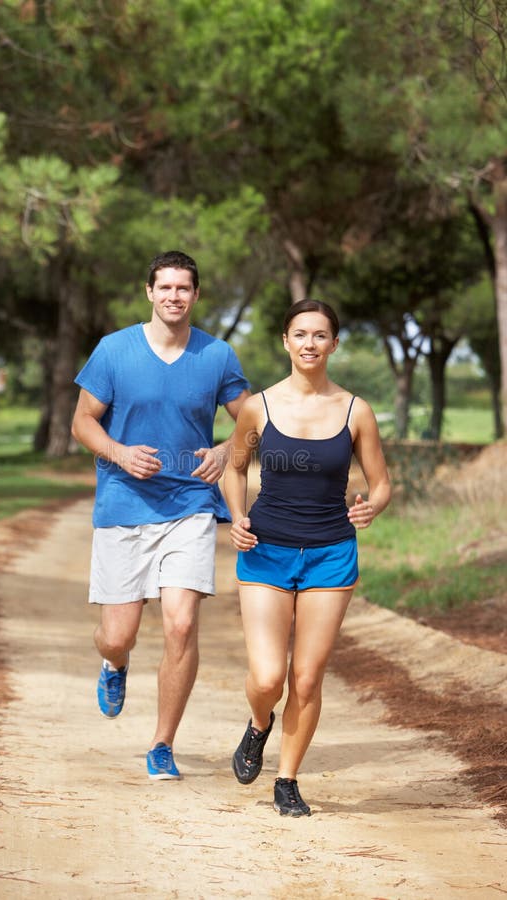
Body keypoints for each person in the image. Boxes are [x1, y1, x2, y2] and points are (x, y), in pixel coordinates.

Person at [71, 250, 250, 781]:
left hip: (189, 507)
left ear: (196, 295)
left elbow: (254, 422)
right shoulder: (113, 350)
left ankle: (162, 743)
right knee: (118, 633)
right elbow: (82, 423)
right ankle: (114, 663)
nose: (174, 296)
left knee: (181, 623)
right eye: (165, 287)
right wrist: (121, 453)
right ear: (149, 292)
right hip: (124, 505)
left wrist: (224, 452)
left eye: (184, 288)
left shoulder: (217, 356)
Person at [223, 298, 391, 816]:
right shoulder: (259, 407)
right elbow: (233, 469)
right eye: (300, 334)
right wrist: (237, 516)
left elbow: (382, 484)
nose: (310, 344)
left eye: (320, 335)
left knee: (307, 678)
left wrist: (371, 510)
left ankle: (287, 779)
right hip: (266, 550)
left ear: (334, 344)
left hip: (331, 554)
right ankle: (258, 724)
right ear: (286, 341)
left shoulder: (354, 410)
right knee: (269, 678)